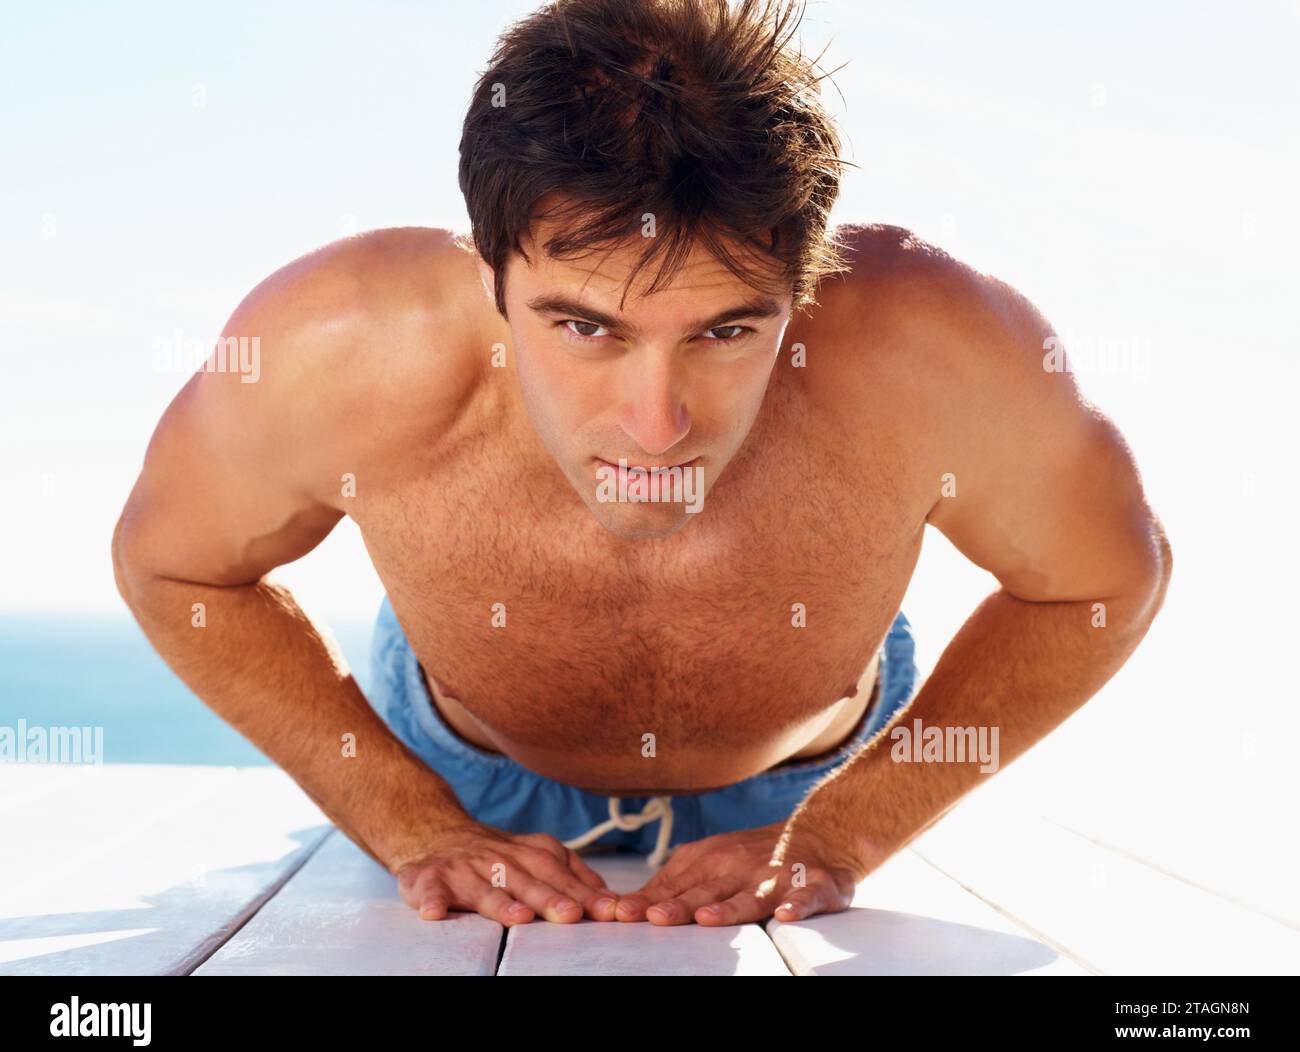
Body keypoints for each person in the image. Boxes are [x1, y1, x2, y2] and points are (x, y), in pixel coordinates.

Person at [112, 0, 1171, 928]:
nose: (656, 426)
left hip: (807, 772)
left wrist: (846, 829)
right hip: (465, 766)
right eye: (586, 329)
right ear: (490, 269)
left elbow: (1102, 583)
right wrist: (408, 820)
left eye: (723, 332)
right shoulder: (337, 342)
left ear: (806, 284)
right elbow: (175, 566)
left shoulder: (935, 344)